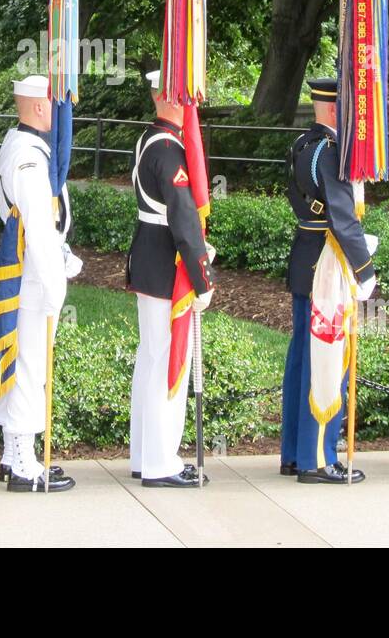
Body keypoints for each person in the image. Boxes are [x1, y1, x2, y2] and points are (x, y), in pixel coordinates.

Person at [279, 78, 375, 484]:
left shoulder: (303, 144)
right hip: (330, 264)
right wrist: (364, 267)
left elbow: (295, 197)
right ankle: (318, 458)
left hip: (307, 255)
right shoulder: (333, 151)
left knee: (302, 355)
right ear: (336, 110)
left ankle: (295, 453)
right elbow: (341, 216)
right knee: (324, 359)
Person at [0, 75, 80, 492]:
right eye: (57, 106)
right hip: (31, 274)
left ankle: (13, 452)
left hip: (31, 268)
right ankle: (26, 465)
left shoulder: (26, 147)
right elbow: (38, 227)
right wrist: (54, 280)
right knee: (30, 366)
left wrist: (62, 255)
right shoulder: (28, 155)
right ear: (41, 108)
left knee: (23, 360)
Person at [127, 70, 213, 488]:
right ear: (172, 98)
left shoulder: (149, 139)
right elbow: (183, 219)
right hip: (166, 261)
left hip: (148, 255)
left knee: (151, 357)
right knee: (166, 362)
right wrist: (203, 277)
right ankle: (161, 463)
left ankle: (145, 455)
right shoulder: (169, 151)